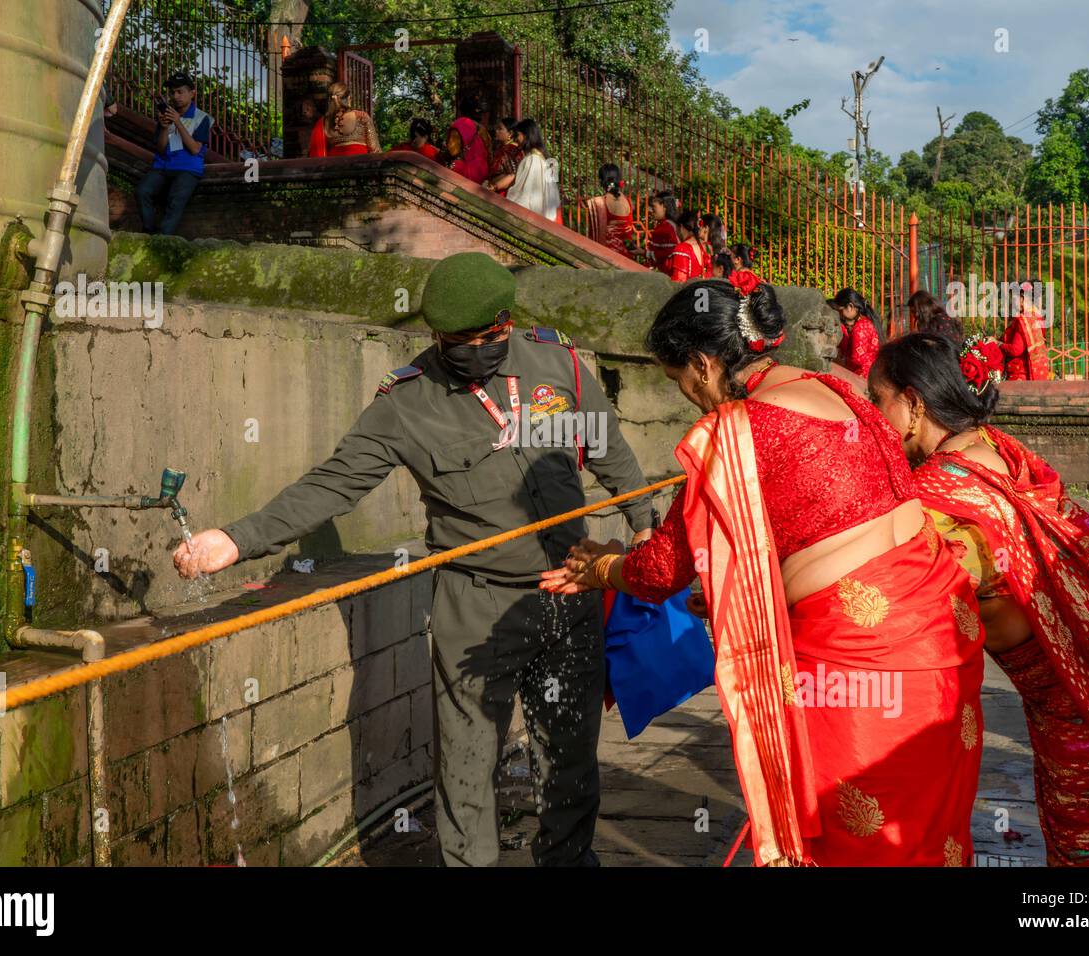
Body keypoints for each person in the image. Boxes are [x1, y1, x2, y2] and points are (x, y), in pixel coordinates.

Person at [173, 253, 655, 867]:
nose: (461, 352)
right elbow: (333, 484)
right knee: (465, 766)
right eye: (448, 341)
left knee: (570, 758)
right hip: (475, 599)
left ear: (504, 327)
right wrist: (236, 540)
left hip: (569, 591)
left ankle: (567, 859)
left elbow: (608, 447)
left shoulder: (554, 362)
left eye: (477, 340)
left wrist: (645, 527)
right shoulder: (407, 402)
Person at [541, 280, 985, 867]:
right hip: (943, 636)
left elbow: (659, 570)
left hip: (857, 659)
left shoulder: (737, 430)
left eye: (682, 382)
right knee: (928, 837)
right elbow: (830, 516)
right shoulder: (842, 392)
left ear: (704, 364)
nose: (690, 398)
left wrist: (600, 566)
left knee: (855, 843)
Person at [868, 333, 1089, 865]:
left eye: (876, 400)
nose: (872, 417)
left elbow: (880, 606)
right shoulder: (999, 451)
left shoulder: (937, 499)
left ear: (912, 404)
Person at [135, 71, 214, 236]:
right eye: (172, 92)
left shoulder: (202, 118)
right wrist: (164, 127)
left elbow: (195, 149)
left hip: (188, 168)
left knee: (175, 200)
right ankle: (148, 233)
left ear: (192, 93)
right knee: (143, 191)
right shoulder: (166, 115)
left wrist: (177, 121)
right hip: (163, 165)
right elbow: (161, 148)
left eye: (180, 92)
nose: (175, 96)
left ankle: (163, 238)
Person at [506, 119, 560, 222]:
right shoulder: (541, 157)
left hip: (530, 218)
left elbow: (525, 194)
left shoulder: (532, 159)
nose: (516, 139)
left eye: (517, 135)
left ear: (526, 135)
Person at [309, 81, 379, 157]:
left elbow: (317, 152)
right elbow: (375, 150)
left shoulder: (323, 122)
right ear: (349, 98)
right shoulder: (361, 116)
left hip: (334, 167)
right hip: (360, 166)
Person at [1000, 280, 1051, 381]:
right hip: (1032, 374)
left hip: (1019, 375)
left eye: (1014, 298)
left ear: (1023, 298)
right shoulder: (1038, 317)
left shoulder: (1024, 320)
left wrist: (998, 344)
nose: (1013, 302)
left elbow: (1016, 350)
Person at [827, 288, 883, 380]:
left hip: (861, 378)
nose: (840, 315)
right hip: (871, 375)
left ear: (850, 306)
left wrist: (839, 361)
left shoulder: (859, 328)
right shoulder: (867, 322)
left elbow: (857, 360)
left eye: (840, 311)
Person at [584, 163, 636, 258]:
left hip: (608, 257)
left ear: (601, 181)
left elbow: (594, 234)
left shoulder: (599, 202)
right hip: (628, 257)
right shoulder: (628, 201)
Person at [444, 91, 492, 185]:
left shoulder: (459, 124)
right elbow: (489, 155)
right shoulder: (483, 130)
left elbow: (453, 151)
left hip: (463, 174)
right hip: (481, 175)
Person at [665, 211, 710, 282]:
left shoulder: (682, 249)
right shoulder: (703, 247)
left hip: (687, 292)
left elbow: (679, 282)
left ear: (681, 227)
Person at [484, 116, 523, 196]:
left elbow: (512, 175)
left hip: (504, 195)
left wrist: (494, 187)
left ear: (510, 133)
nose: (496, 131)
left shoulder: (511, 150)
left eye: (500, 129)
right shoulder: (504, 148)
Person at [646, 191, 680, 272]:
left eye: (654, 207)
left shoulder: (666, 227)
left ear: (664, 206)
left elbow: (665, 255)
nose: (652, 211)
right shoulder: (675, 224)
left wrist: (644, 253)